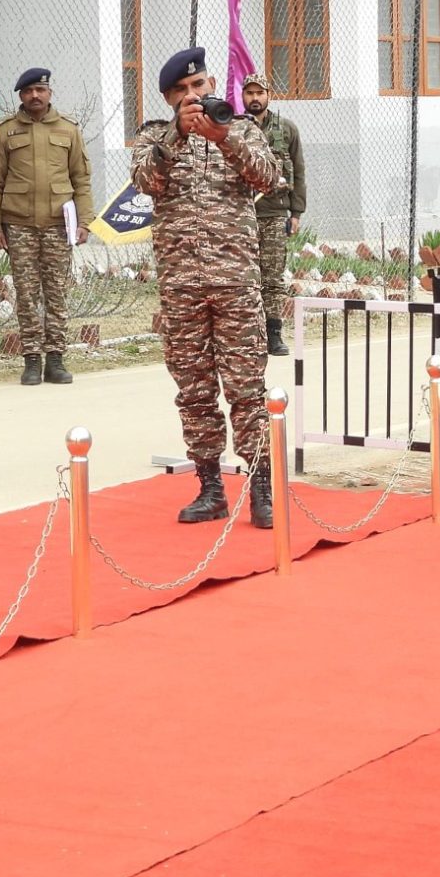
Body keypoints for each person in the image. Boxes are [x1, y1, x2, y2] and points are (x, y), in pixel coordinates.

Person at [133, 48, 280, 529]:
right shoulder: (154, 136)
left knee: (246, 389)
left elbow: (268, 176)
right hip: (181, 287)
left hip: (235, 282)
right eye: (182, 92)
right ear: (169, 98)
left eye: (199, 88)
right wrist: (177, 135)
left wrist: (222, 138)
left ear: (213, 83)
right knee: (194, 392)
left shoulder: (239, 128)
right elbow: (143, 182)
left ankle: (261, 488)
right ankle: (210, 487)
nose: (193, 97)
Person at [0, 68, 95, 386]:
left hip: (59, 225)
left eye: (41, 90)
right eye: (29, 91)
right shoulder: (6, 131)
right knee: (27, 294)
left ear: (49, 93)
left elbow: (81, 180)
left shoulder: (68, 129)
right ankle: (32, 360)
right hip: (18, 225)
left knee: (57, 293)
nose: (35, 95)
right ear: (21, 95)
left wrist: (85, 222)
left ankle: (56, 360)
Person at [243, 73, 307, 356]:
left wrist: (296, 212)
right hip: (241, 216)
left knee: (272, 278)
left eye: (260, 92)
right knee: (244, 279)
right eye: (250, 93)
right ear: (243, 96)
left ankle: (274, 335)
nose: (255, 98)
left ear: (269, 95)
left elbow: (299, 170)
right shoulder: (233, 130)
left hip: (274, 214)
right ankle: (246, 336)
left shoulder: (287, 130)